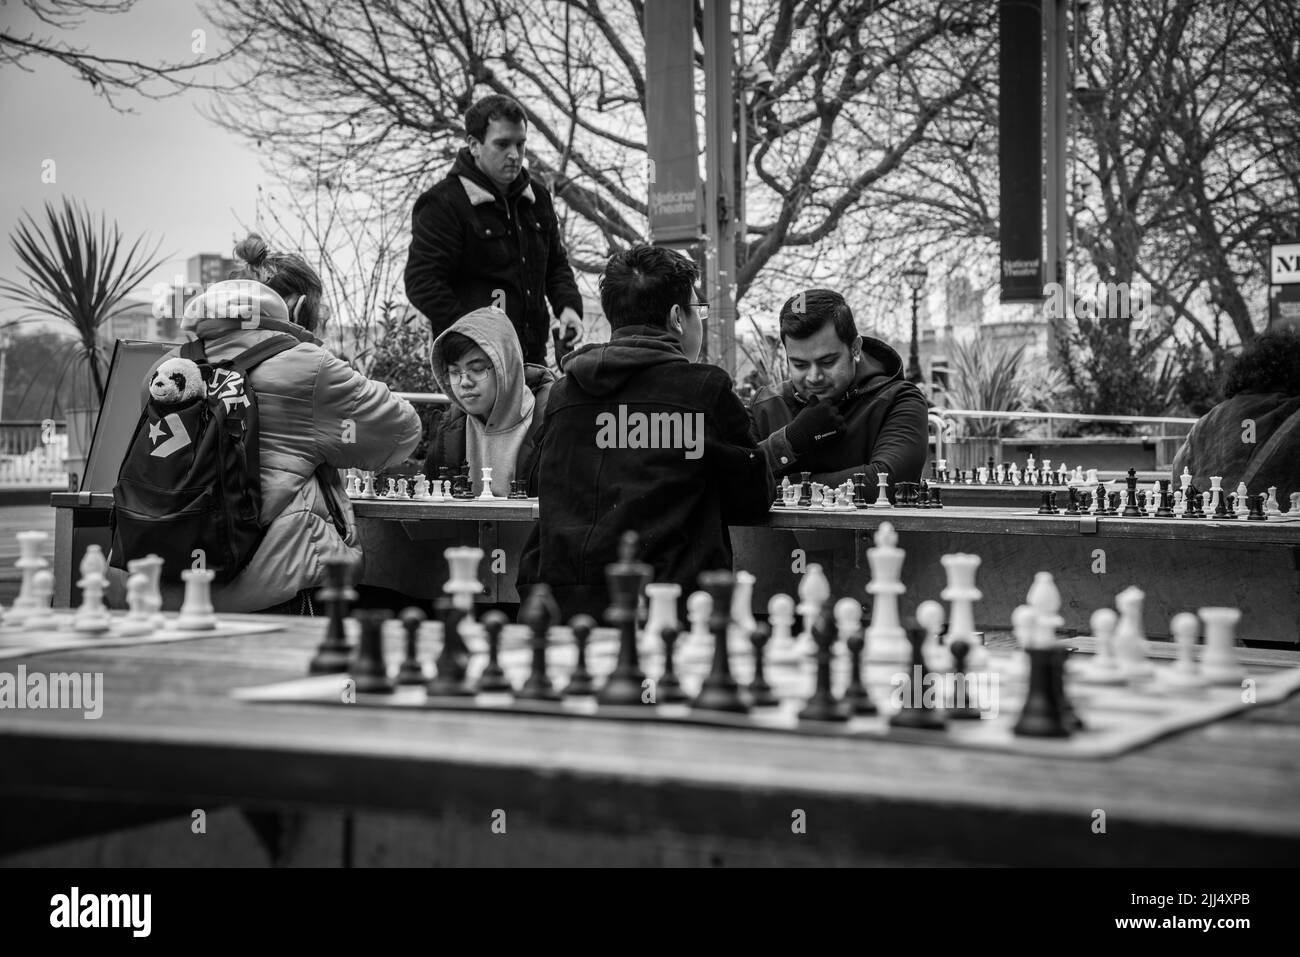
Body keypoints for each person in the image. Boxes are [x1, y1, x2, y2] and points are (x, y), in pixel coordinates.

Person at [152, 235, 421, 613]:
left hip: (170, 590)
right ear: (296, 305)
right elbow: (401, 433)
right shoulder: (307, 365)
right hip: (274, 589)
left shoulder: (170, 367)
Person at [517, 244, 774, 618]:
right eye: (697, 309)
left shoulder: (565, 392)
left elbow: (539, 483)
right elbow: (753, 495)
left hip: (564, 608)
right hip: (672, 611)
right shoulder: (703, 391)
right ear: (677, 317)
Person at [404, 94, 584, 367]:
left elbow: (556, 265)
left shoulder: (539, 198)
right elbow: (422, 282)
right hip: (473, 367)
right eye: (502, 144)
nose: (514, 155)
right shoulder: (443, 203)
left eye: (520, 144)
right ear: (474, 145)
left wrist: (568, 307)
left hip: (533, 361)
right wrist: (472, 337)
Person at [751, 289, 929, 495]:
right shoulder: (765, 404)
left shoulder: (899, 400)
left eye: (827, 362)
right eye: (799, 364)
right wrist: (791, 440)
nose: (813, 376)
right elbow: (731, 479)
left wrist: (780, 486)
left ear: (855, 348)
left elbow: (888, 482)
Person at [425, 307, 556, 496]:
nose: (465, 382)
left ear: (506, 366)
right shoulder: (448, 429)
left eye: (477, 369)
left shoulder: (554, 423)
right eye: (454, 372)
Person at [1172, 328, 1300, 507]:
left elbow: (1178, 485)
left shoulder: (1207, 423)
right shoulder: (1294, 415)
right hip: (1285, 529)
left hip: (1210, 530)